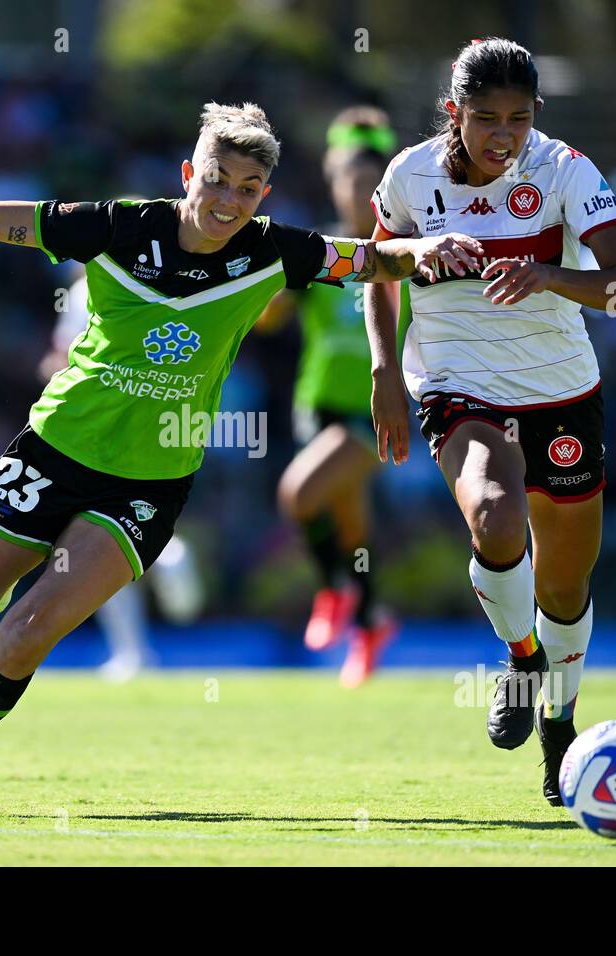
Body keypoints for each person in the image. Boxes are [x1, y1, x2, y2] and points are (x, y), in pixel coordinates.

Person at [0, 101, 469, 816]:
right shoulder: (114, 226)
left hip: (146, 485)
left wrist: (431, 250)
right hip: (53, 452)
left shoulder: (274, 251)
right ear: (189, 173)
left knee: (26, 634)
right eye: (218, 179)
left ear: (265, 194)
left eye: (248, 187)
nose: (229, 199)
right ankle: (17, 568)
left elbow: (374, 259)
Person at [365, 38, 616, 806]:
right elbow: (377, 271)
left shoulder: (564, 170)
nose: (501, 135)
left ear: (536, 116)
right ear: (453, 113)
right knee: (493, 515)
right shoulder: (410, 175)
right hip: (458, 387)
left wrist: (548, 274)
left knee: (563, 580)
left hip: (561, 394)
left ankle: (560, 725)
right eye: (484, 118)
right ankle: (523, 664)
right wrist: (386, 371)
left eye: (517, 119)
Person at [258, 106, 407, 686]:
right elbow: (269, 320)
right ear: (334, 183)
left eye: (372, 183)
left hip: (372, 411)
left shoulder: (404, 253)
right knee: (350, 523)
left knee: (298, 495)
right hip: (312, 406)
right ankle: (371, 622)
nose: (360, 191)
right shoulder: (321, 252)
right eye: (351, 180)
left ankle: (333, 591)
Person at [38, 265, 206, 682]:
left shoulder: (85, 289)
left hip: (99, 432)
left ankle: (134, 645)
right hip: (167, 425)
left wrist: (47, 374)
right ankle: (165, 566)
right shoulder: (173, 283)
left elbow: (65, 359)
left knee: (89, 540)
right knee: (128, 526)